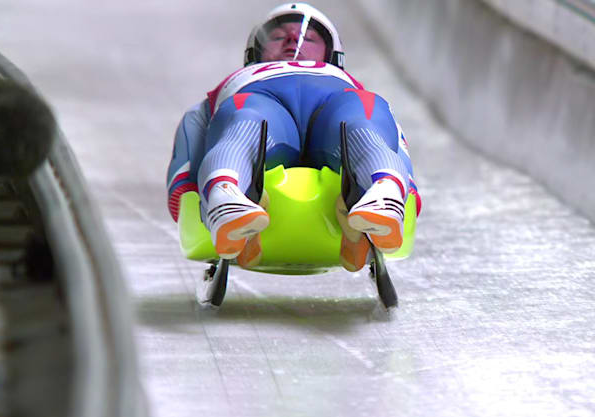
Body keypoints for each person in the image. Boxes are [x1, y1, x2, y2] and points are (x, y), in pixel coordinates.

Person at [166, 3, 420, 271]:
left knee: (364, 117)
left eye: (308, 38)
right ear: (255, 53)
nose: (291, 40)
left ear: (331, 55)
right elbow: (193, 126)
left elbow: (390, 132)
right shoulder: (237, 83)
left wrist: (409, 191)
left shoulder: (348, 84)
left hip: (334, 108)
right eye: (276, 37)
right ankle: (227, 197)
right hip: (262, 106)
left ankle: (383, 193)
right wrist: (184, 192)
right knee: (245, 119)